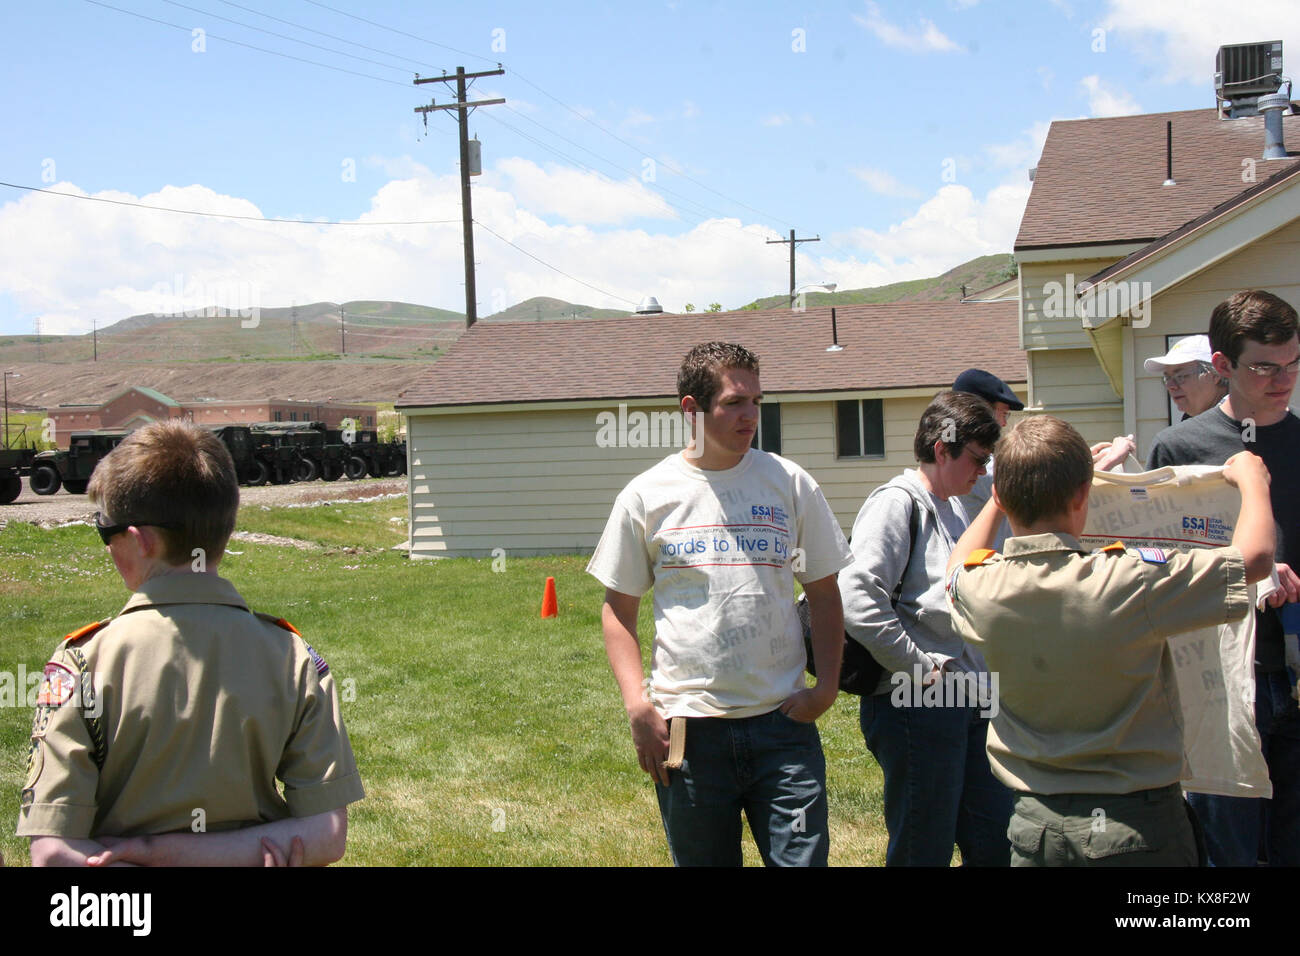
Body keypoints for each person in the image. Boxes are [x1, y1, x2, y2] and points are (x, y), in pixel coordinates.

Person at [17, 420, 364, 866]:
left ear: (140, 542)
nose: (105, 546)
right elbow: (327, 834)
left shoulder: (81, 664)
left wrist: (146, 852)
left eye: (105, 531)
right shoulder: (291, 658)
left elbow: (52, 851)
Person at [947, 416, 1275, 866]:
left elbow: (957, 565)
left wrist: (998, 503)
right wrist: (1253, 482)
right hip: (1134, 827)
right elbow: (1253, 560)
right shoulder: (1130, 579)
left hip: (1034, 827)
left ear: (1001, 497)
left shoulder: (982, 588)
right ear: (1084, 494)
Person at [587, 342, 852, 866]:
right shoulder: (648, 495)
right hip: (688, 732)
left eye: (756, 401)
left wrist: (826, 687)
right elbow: (618, 609)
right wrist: (638, 706)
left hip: (783, 729)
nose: (750, 416)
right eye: (734, 402)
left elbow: (824, 592)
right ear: (692, 409)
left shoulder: (789, 483)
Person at [1147, 289, 1300, 866]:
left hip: (1294, 672)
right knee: (1224, 854)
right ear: (1222, 365)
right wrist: (1244, 575)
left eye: (1292, 363)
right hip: (1216, 683)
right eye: (1265, 366)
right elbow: (1151, 565)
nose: (1283, 379)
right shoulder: (1178, 449)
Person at [839, 390, 1009, 866]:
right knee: (923, 846)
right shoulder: (897, 503)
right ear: (941, 448)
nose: (982, 471)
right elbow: (857, 597)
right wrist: (920, 668)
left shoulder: (955, 505)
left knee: (997, 840)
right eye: (976, 459)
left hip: (970, 701)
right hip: (917, 704)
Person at [1145, 335, 1230, 420]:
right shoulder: (1191, 425)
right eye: (1167, 378)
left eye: (1180, 376)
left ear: (1215, 374)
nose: (1170, 386)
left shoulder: (1238, 423)